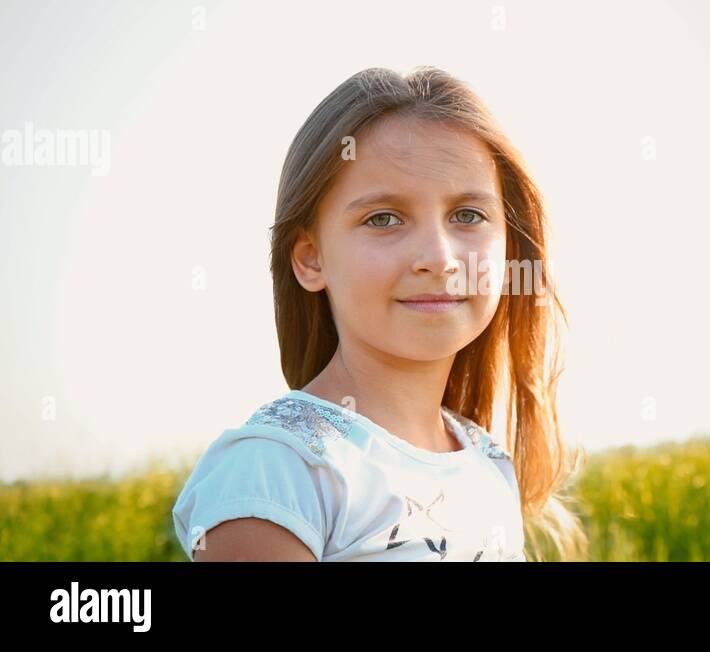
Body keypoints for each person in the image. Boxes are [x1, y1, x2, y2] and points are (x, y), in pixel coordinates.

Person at [172, 66, 587, 561]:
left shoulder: (487, 462)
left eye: (468, 215)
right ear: (310, 257)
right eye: (383, 218)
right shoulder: (278, 471)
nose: (439, 256)